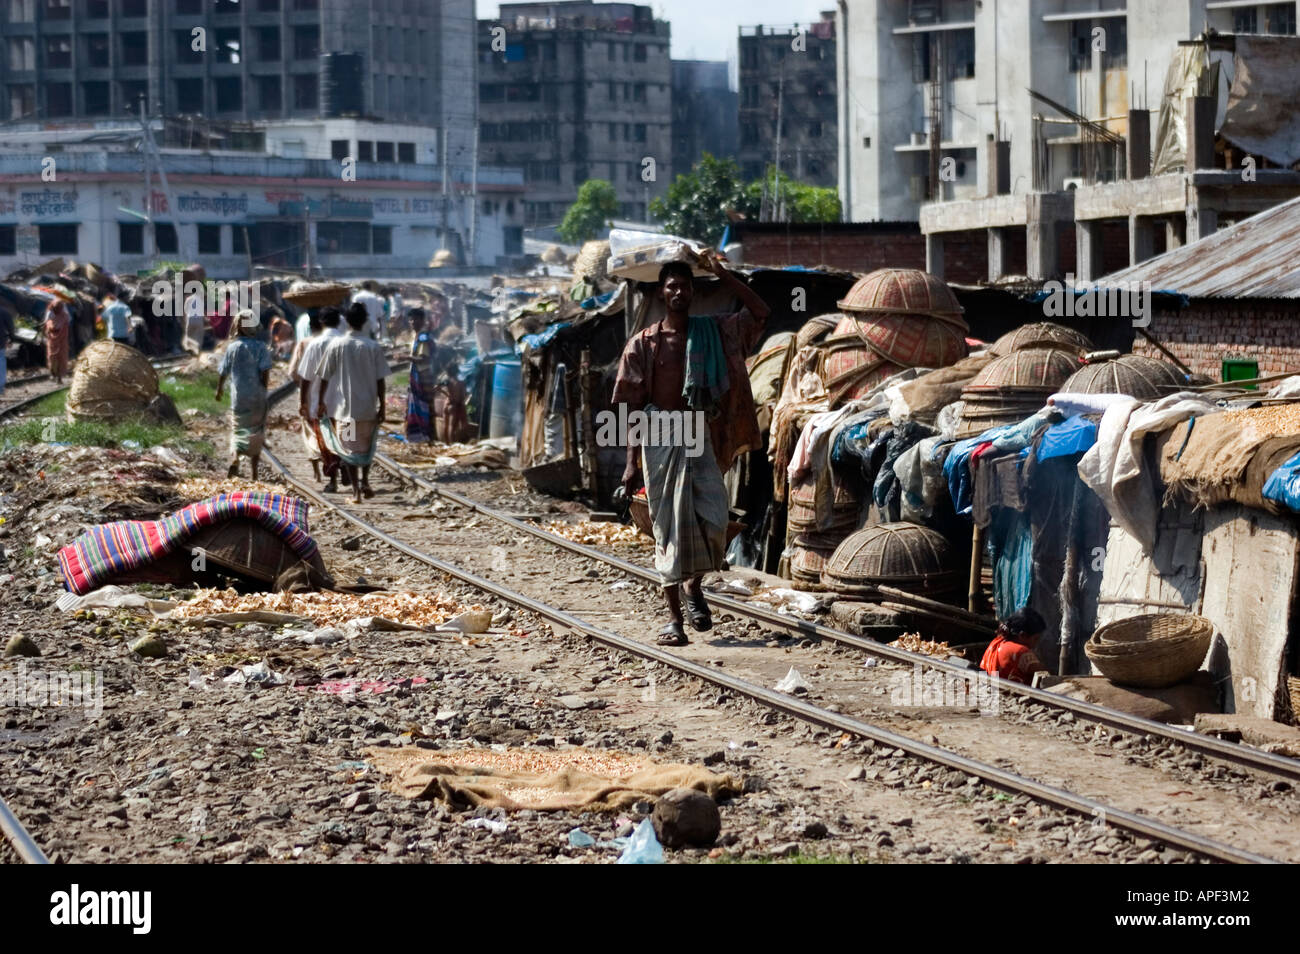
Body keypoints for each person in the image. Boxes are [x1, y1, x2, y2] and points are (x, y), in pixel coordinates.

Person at [612, 254, 771, 646]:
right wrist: (630, 463)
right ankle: (674, 622)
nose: (679, 292)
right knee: (667, 529)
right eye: (672, 286)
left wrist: (724, 273)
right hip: (660, 436)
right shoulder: (643, 345)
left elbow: (761, 311)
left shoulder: (714, 332)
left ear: (693, 292)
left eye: (685, 285)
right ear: (662, 293)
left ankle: (693, 587)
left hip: (700, 433)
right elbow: (630, 408)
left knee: (715, 520)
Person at [316, 303, 391, 503]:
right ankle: (366, 481)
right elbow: (380, 380)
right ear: (365, 321)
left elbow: (324, 377)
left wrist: (322, 402)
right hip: (367, 410)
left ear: (346, 321)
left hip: (344, 412)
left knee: (349, 450)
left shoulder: (336, 345)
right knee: (366, 448)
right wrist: (382, 406)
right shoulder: (372, 347)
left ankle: (356, 491)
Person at [215, 309, 273, 480]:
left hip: (239, 398)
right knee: (256, 431)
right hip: (257, 397)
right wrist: (263, 389)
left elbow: (223, 372)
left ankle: (235, 458)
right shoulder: (261, 347)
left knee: (237, 429)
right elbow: (265, 372)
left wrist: (219, 390)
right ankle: (254, 473)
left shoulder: (232, 348)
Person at [298, 306, 346, 490]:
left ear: (322, 322)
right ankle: (346, 468)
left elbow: (305, 377)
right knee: (346, 438)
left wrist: (303, 401)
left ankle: (333, 481)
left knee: (326, 441)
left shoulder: (315, 345)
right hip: (346, 402)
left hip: (322, 403)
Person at [980, 608, 1048, 685]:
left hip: (989, 691)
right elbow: (1044, 675)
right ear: (1022, 635)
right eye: (1036, 639)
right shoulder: (1021, 651)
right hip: (1009, 695)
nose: (1037, 643)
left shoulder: (996, 642)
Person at [404, 308, 438, 443]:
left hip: (423, 377)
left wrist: (406, 357)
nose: (412, 322)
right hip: (418, 376)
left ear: (422, 320)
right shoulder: (417, 336)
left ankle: (423, 435)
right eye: (411, 319)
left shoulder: (423, 337)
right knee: (417, 405)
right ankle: (418, 435)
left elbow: (423, 358)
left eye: (416, 319)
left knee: (423, 405)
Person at [44, 298, 71, 385]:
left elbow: (66, 326)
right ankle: (53, 373)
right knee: (52, 358)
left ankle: (59, 377)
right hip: (52, 343)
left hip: (62, 342)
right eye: (56, 307)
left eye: (59, 307)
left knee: (61, 359)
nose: (58, 308)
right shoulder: (50, 314)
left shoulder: (65, 316)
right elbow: (47, 326)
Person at [0, 307, 13, 395]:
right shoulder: (4, 312)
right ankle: (0, 387)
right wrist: (12, 338)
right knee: (1, 362)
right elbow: (11, 328)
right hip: (0, 341)